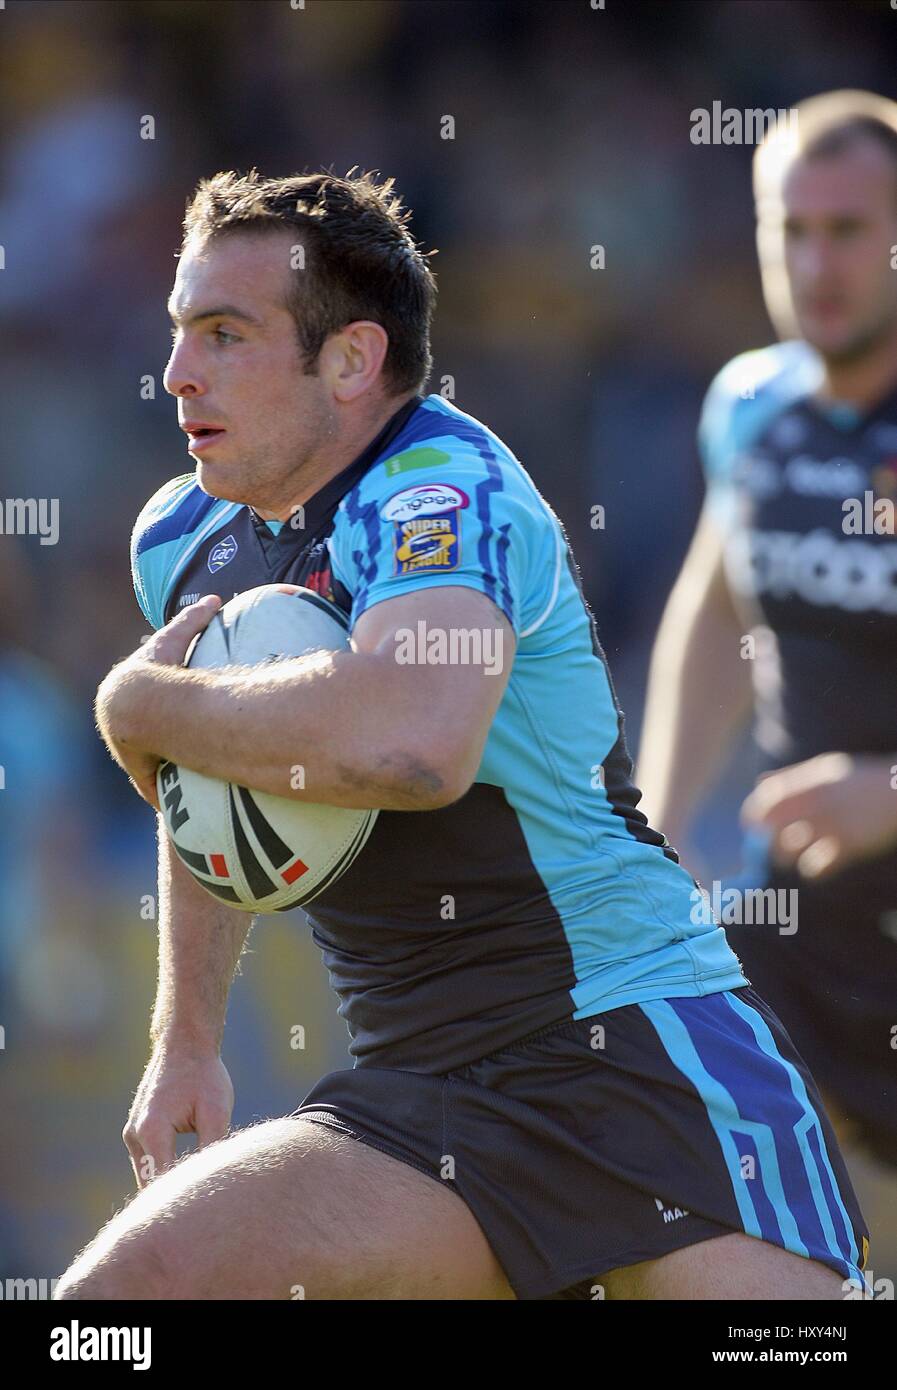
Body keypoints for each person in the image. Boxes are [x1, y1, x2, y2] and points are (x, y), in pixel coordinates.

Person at [56, 169, 867, 1301]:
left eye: (226, 334)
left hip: (645, 1058)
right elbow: (213, 783)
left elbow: (413, 747)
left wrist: (138, 706)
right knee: (123, 1303)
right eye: (180, 330)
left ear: (350, 362)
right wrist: (186, 1035)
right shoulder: (182, 537)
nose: (179, 371)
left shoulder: (445, 483)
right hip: (420, 1092)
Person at [638, 93, 897, 1217]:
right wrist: (654, 823)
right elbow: (715, 602)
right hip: (798, 925)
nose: (815, 261)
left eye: (847, 229)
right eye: (788, 229)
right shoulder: (747, 405)